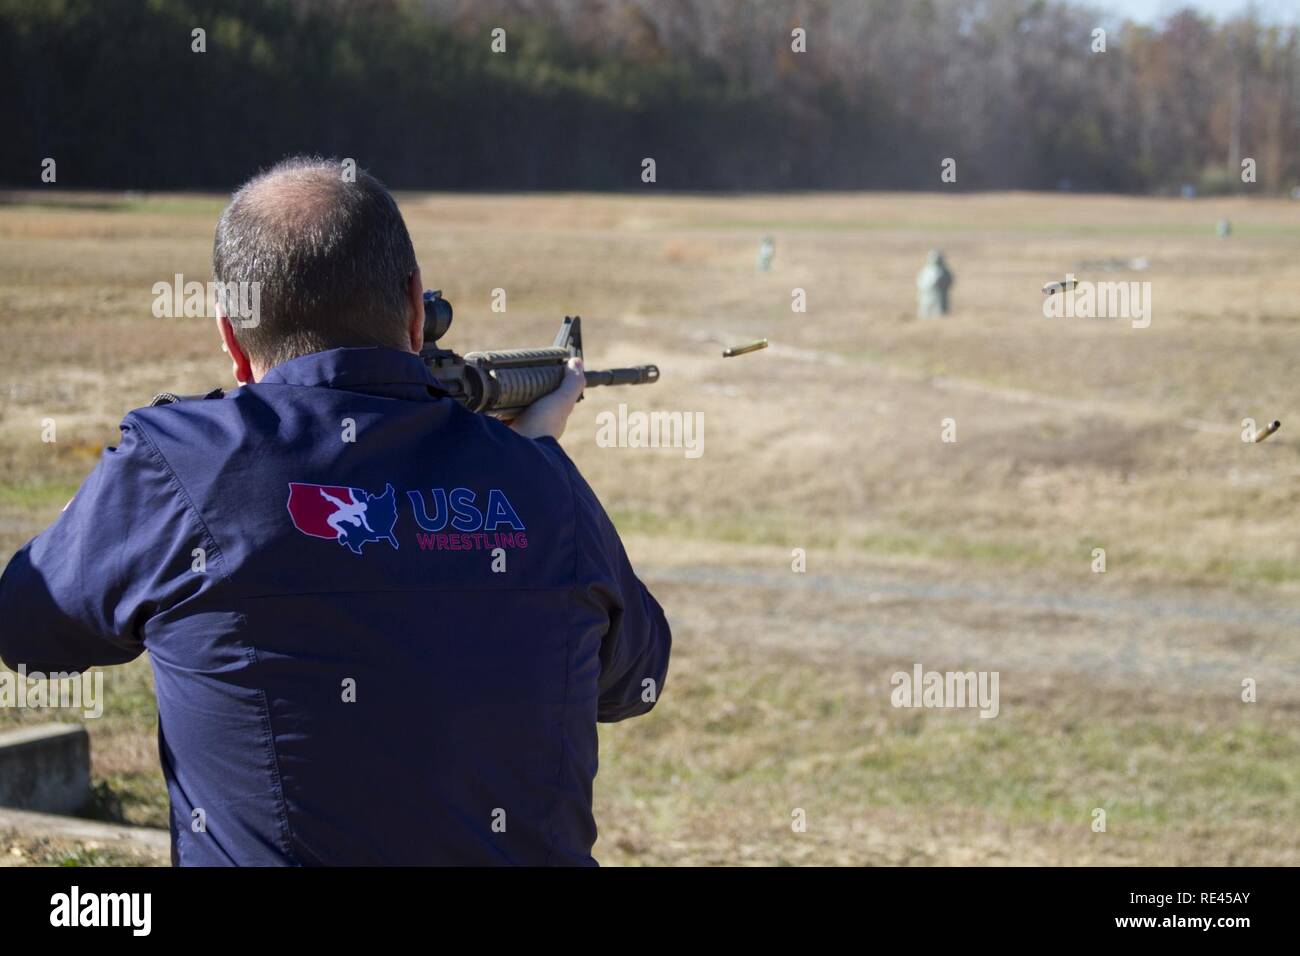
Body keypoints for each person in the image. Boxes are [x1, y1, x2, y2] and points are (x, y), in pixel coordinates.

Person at [0, 156, 671, 866]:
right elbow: (633, 680)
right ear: (417, 307)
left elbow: (28, 631)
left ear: (231, 337)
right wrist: (532, 464)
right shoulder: (544, 488)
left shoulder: (178, 466)